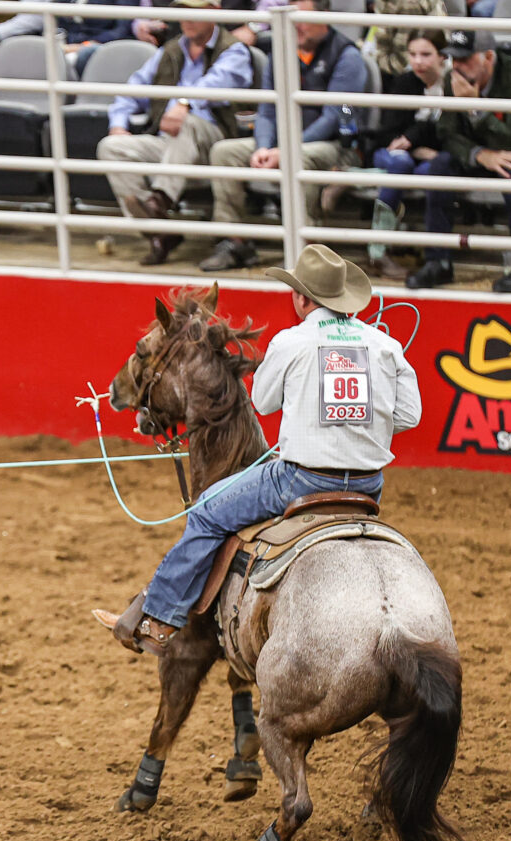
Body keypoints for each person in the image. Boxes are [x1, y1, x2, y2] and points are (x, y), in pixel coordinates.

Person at [95, 244, 421, 656]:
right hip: (368, 487)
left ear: (301, 298)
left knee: (209, 510)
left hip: (300, 480)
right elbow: (409, 415)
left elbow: (264, 403)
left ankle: (159, 617)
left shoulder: (293, 341)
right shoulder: (383, 345)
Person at [200, 0, 367, 272]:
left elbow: (334, 117)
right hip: (282, 143)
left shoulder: (347, 56)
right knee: (224, 151)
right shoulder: (282, 53)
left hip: (333, 146)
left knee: (303, 157)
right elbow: (266, 110)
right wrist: (264, 147)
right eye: (292, 18)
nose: (296, 25)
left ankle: (307, 248)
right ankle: (235, 242)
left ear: (324, 16)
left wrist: (286, 150)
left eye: (302, 17)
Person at [95, 0, 254, 267]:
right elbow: (133, 88)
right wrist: (118, 124)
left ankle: (160, 200)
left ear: (214, 13)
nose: (186, 18)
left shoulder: (234, 50)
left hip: (214, 143)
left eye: (194, 11)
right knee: (111, 146)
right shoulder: (169, 50)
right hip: (170, 146)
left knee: (188, 123)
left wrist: (184, 103)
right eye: (182, 11)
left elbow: (218, 82)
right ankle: (160, 231)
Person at [405, 28, 511, 293]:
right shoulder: (452, 79)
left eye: (465, 59)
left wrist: (477, 108)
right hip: (482, 156)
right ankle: (438, 261)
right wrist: (479, 154)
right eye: (455, 59)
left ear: (488, 57)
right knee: (440, 166)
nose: (458, 66)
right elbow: (447, 133)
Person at [362, 27, 446, 280]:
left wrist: (413, 139)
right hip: (390, 153)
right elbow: (388, 136)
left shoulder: (454, 82)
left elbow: (447, 133)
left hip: (425, 158)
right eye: (412, 54)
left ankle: (435, 257)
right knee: (400, 163)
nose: (418, 61)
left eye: (426, 54)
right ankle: (377, 253)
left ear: (442, 56)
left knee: (435, 169)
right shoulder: (404, 82)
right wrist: (415, 142)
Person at [364, 0, 445, 80]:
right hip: (391, 65)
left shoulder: (409, 3)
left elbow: (401, 60)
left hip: (412, 71)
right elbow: (379, 35)